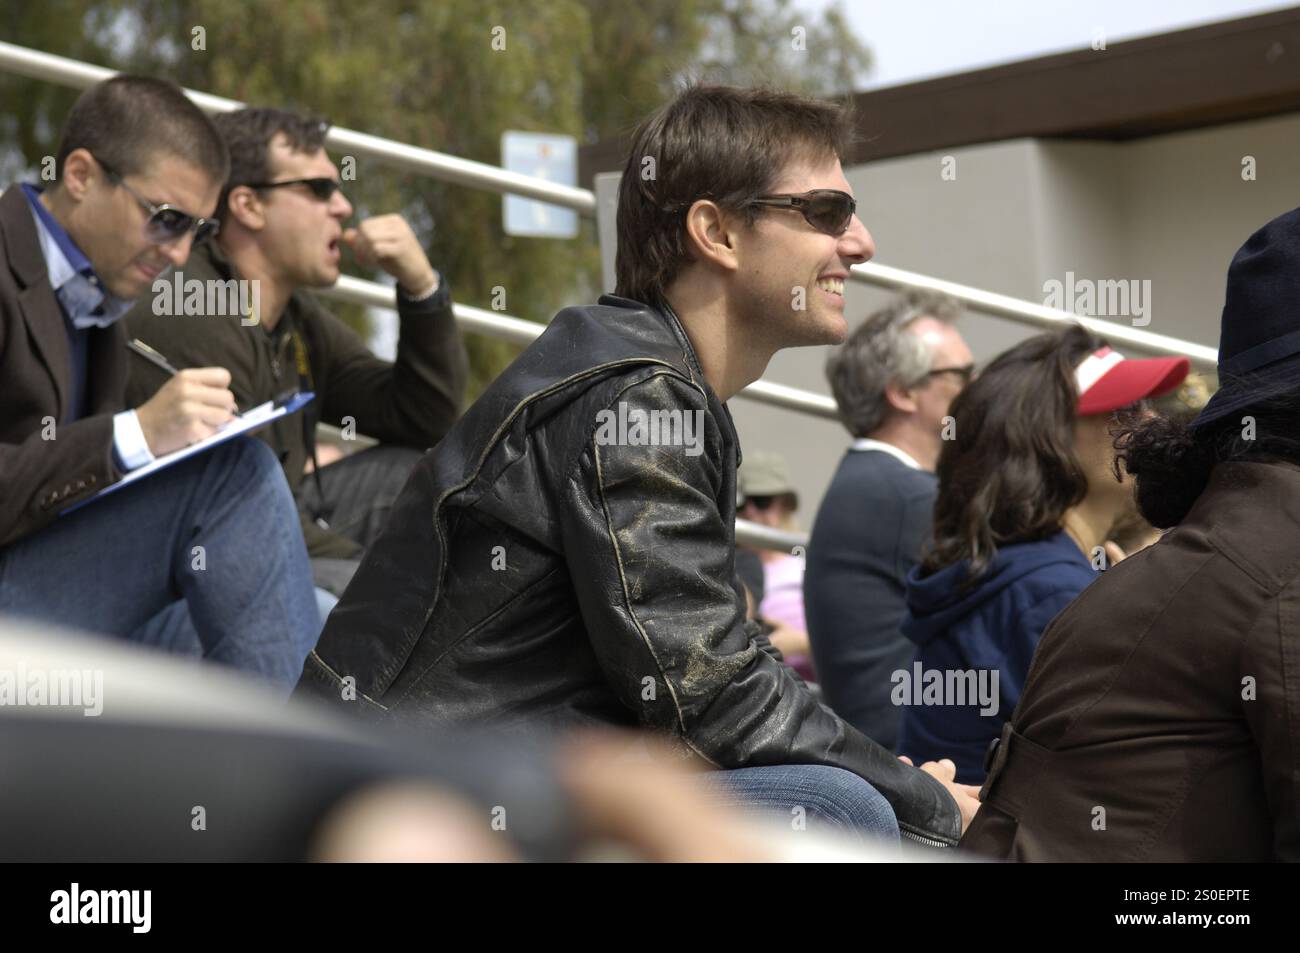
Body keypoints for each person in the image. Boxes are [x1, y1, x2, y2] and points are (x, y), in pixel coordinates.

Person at [296, 83, 981, 847]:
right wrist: (929, 800)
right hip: (412, 793)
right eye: (826, 212)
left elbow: (709, 667)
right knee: (841, 807)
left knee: (849, 795)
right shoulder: (642, 397)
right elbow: (713, 692)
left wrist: (897, 775)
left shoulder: (647, 379)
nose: (861, 243)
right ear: (716, 232)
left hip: (468, 766)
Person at [962, 206, 1300, 861]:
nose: (1140, 421)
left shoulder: (1213, 550)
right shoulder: (1049, 581)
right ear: (1049, 441)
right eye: (1118, 410)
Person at [0, 75, 318, 692]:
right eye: (166, 219)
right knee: (234, 477)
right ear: (82, 176)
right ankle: (312, 782)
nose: (178, 255)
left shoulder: (99, 301)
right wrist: (133, 435)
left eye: (196, 231)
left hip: (50, 586)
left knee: (302, 614)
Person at [124, 107, 468, 597]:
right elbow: (240, 509)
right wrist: (381, 577)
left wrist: (421, 290)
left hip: (268, 513)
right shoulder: (191, 308)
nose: (344, 207)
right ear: (248, 206)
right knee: (394, 604)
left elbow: (423, 419)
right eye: (320, 189)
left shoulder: (295, 318)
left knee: (430, 475)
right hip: (186, 562)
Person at [896, 324, 1188, 783]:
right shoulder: (1048, 591)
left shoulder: (1030, 572)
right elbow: (1143, 769)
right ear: (1047, 441)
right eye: (1127, 409)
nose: (1149, 423)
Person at [807, 290, 971, 748]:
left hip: (903, 763)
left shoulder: (879, 481)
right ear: (902, 391)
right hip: (922, 774)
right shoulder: (905, 496)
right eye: (961, 374)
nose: (977, 390)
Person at [737, 450, 814, 680]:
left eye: (762, 502)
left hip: (813, 690)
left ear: (784, 505)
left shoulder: (807, 558)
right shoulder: (721, 564)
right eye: (740, 504)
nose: (750, 512)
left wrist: (800, 644)